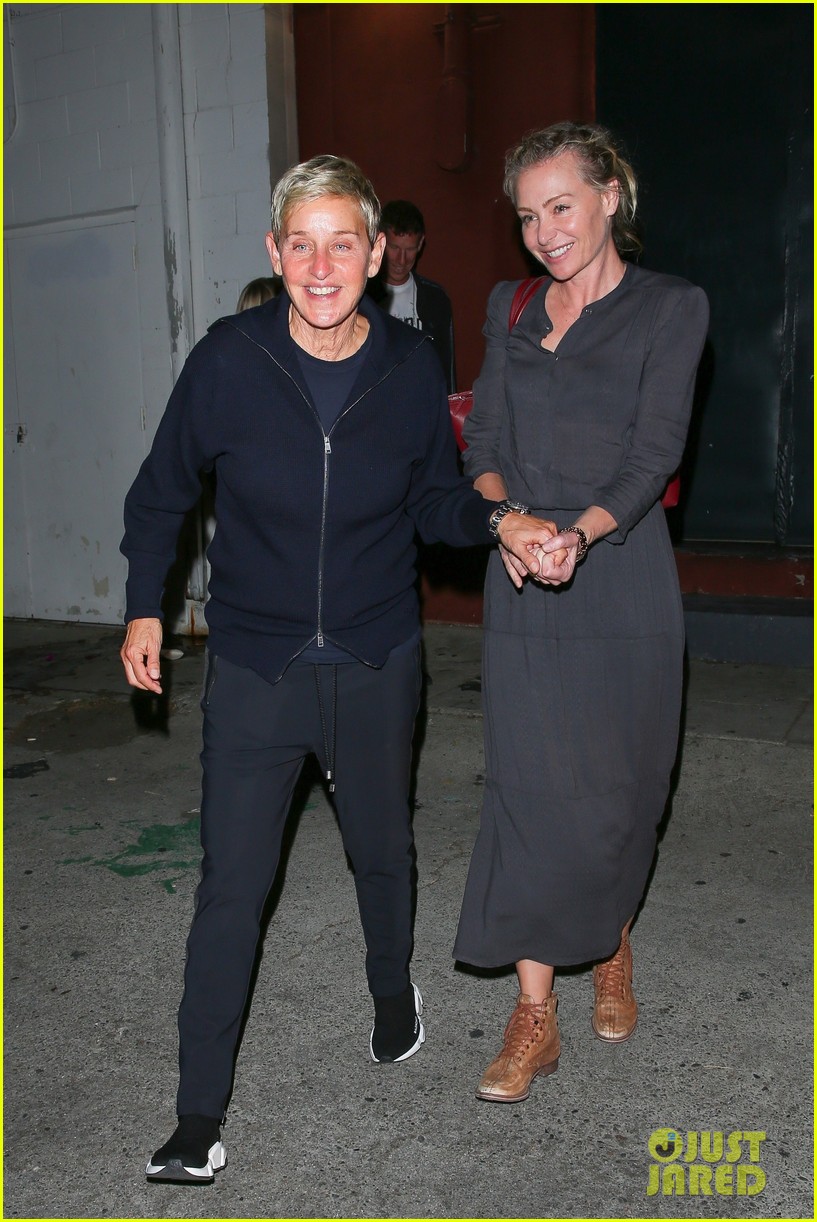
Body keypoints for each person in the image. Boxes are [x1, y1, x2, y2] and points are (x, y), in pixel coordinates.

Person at [120, 154, 558, 1181]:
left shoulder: (408, 366)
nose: (321, 267)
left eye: (342, 244)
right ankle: (194, 1118)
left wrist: (498, 519)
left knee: (381, 849)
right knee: (232, 889)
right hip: (256, 665)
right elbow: (160, 491)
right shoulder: (227, 360)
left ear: (375, 257)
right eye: (301, 245)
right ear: (275, 254)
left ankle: (392, 992)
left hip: (374, 656)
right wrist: (144, 603)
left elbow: (434, 502)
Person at [453, 122, 709, 1103]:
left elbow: (654, 453)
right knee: (527, 788)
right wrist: (512, 524)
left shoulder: (671, 306)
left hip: (621, 565)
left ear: (609, 195)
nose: (544, 231)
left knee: (620, 787)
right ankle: (533, 1015)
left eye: (560, 205)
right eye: (527, 215)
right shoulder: (509, 305)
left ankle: (608, 940)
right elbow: (484, 439)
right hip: (523, 568)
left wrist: (579, 533)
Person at [367, 199, 456, 393]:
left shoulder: (435, 298)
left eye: (410, 250)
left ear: (421, 244)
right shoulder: (363, 297)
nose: (402, 260)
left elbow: (446, 370)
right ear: (380, 243)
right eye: (394, 248)